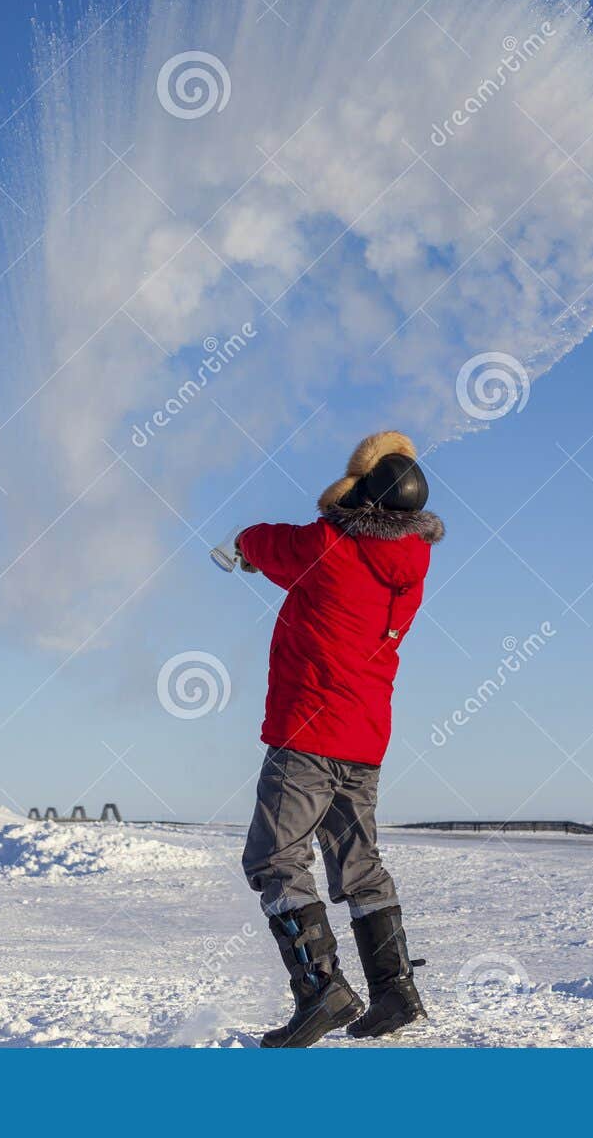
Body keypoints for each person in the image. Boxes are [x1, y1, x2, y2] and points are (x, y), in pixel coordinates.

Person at [227, 430, 444, 1048]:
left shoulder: (323, 544)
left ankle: (321, 990)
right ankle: (395, 990)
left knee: (275, 857)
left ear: (362, 497)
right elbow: (318, 581)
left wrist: (242, 550)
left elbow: (264, 542)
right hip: (365, 742)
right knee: (359, 865)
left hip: (307, 737)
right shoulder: (412, 565)